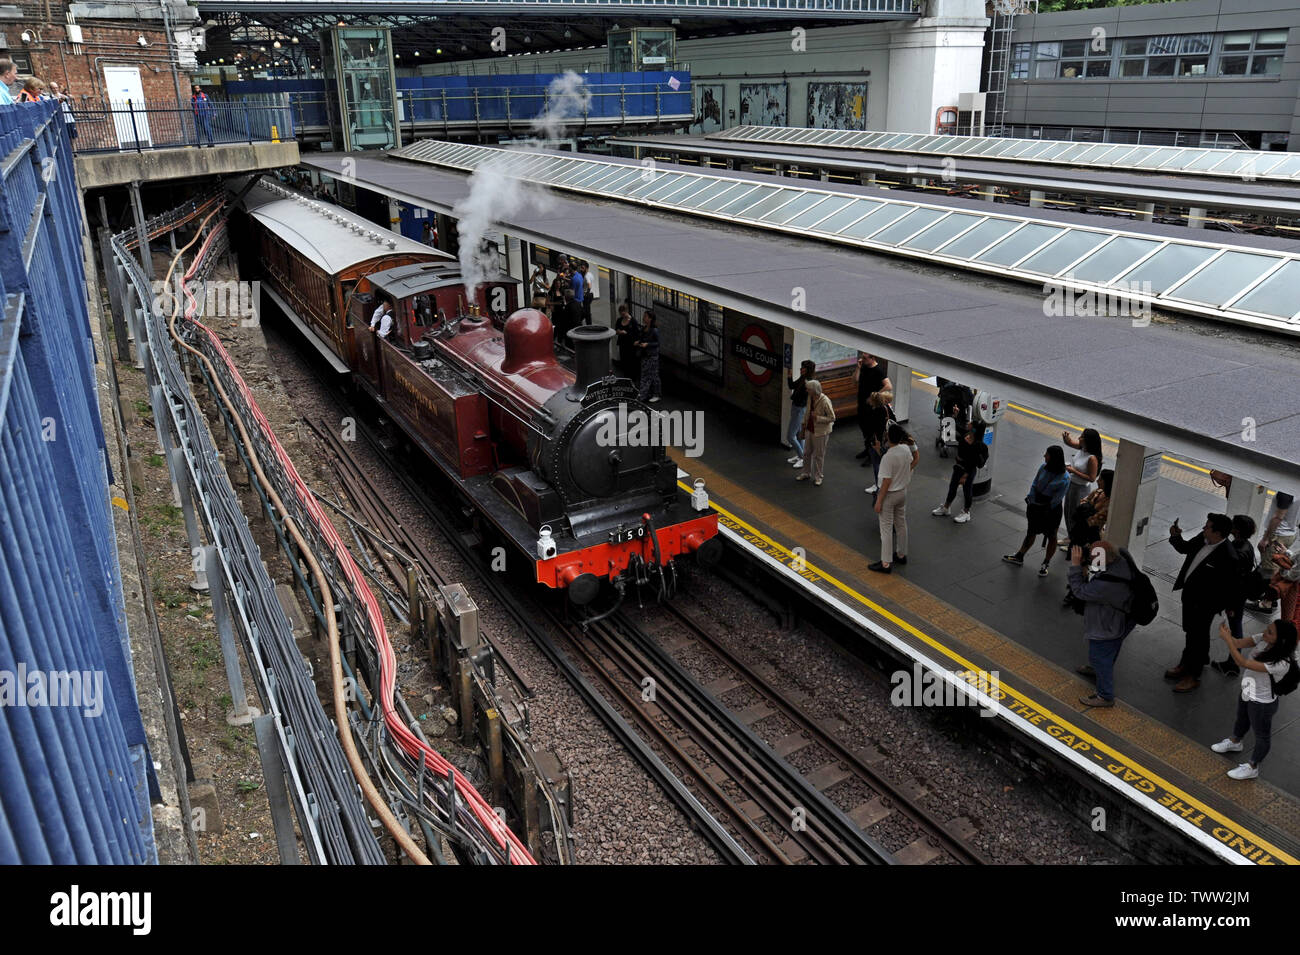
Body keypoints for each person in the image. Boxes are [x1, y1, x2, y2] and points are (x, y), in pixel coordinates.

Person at [1210, 620, 1297, 780]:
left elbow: (1242, 662)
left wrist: (1227, 640)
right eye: (1267, 629)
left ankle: (1253, 766)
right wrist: (1228, 635)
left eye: (1270, 632)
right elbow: (1237, 643)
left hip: (1262, 703)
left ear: (1281, 640)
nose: (1265, 632)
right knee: (1242, 718)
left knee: (1262, 735)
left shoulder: (1281, 662)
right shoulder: (1263, 639)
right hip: (1247, 689)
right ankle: (1235, 742)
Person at [1165, 513, 1236, 693]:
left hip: (1205, 606)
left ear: (1218, 533)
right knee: (1191, 633)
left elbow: (1228, 587)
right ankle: (1185, 664)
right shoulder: (1202, 539)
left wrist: (1214, 607)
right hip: (1189, 598)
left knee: (1198, 637)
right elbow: (1185, 548)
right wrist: (1175, 536)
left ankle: (1193, 675)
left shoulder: (1228, 556)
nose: (1204, 528)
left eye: (1207, 526)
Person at [1069, 541, 1138, 708]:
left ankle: (1105, 696)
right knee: (1110, 650)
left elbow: (1080, 591)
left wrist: (1076, 567)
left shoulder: (1106, 585)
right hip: (1124, 618)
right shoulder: (1121, 559)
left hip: (1109, 624)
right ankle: (1096, 670)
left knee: (1100, 655)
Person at [1003, 446, 1071, 576]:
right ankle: (1020, 555)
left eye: (1047, 454)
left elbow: (1057, 498)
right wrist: (1031, 499)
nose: (1044, 456)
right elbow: (1034, 484)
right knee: (1031, 531)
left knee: (1052, 536)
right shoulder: (1043, 467)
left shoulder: (1065, 477)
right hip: (1036, 504)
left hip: (1051, 510)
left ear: (1054, 458)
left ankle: (1046, 563)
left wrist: (1045, 508)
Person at [1210, 514, 1259, 676]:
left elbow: (1234, 580)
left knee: (1236, 628)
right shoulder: (1246, 545)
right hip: (1240, 595)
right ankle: (1233, 662)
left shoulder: (1237, 550)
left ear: (1236, 530)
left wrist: (1230, 605)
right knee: (1236, 626)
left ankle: (1233, 663)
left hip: (1235, 597)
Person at [1059, 468, 1113, 606]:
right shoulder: (1098, 492)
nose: (1098, 480)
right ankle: (1077, 590)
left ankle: (1086, 590)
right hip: (1082, 534)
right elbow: (1083, 502)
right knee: (1080, 561)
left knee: (1097, 566)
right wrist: (1088, 510)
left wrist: (1086, 510)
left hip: (1096, 539)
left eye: (1101, 479)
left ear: (1107, 482)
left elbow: (1095, 520)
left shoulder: (1111, 501)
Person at [869, 424, 918, 573]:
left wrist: (878, 501)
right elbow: (912, 461)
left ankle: (885, 563)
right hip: (902, 492)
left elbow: (886, 481)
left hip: (889, 496)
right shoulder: (904, 449)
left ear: (888, 437)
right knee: (901, 524)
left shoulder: (888, 457)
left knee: (886, 529)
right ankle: (901, 554)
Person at [932, 422, 988, 524]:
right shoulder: (966, 435)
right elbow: (957, 427)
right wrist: (954, 416)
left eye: (971, 423)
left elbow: (973, 463)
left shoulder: (977, 445)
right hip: (959, 467)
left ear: (974, 430)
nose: (968, 423)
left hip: (968, 470)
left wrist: (965, 475)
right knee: (952, 487)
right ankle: (946, 507)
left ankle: (966, 513)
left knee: (967, 491)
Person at [1250, 492, 1296, 615]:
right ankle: (1272, 598)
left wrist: (1265, 539)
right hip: (1290, 533)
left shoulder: (1286, 492)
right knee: (1276, 567)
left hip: (1278, 535)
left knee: (1270, 570)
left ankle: (1266, 603)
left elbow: (1278, 518)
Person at [1060, 428, 1103, 543]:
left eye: (1082, 437)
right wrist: (1066, 438)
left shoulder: (1092, 458)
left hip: (1080, 489)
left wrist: (1073, 470)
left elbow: (1092, 478)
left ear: (1088, 441)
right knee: (1068, 511)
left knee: (1075, 514)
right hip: (1071, 484)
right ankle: (1070, 537)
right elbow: (1070, 443)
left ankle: (1075, 540)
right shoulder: (1082, 448)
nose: (1079, 438)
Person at [853, 352, 891, 478]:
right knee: (863, 427)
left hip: (871, 406)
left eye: (865, 358)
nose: (862, 360)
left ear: (872, 358)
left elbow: (888, 386)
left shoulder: (878, 370)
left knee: (871, 431)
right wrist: (858, 367)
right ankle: (867, 449)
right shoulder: (863, 367)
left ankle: (872, 454)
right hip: (862, 403)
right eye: (862, 358)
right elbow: (855, 380)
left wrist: (874, 396)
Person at [796, 378, 835, 486]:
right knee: (806, 453)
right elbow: (807, 412)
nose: (807, 391)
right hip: (810, 429)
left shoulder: (825, 401)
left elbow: (832, 418)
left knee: (819, 455)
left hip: (821, 432)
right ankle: (806, 472)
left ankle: (818, 477)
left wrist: (818, 418)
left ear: (814, 390)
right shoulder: (810, 397)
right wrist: (803, 426)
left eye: (808, 389)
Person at [786, 359, 815, 470]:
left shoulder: (809, 382)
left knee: (790, 436)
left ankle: (803, 458)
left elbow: (806, 398)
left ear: (807, 370)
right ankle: (801, 456)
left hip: (799, 409)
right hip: (797, 408)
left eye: (802, 368)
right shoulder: (803, 378)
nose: (800, 369)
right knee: (798, 435)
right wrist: (789, 376)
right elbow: (792, 386)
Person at [635, 310, 661, 403]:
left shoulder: (654, 330)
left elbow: (657, 343)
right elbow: (642, 338)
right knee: (645, 375)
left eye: (645, 316)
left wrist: (648, 344)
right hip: (645, 355)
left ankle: (655, 394)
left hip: (652, 356)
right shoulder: (644, 328)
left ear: (650, 319)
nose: (643, 318)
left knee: (653, 375)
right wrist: (639, 342)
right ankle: (644, 393)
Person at [614, 304, 639, 378]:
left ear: (627, 311)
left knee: (631, 361)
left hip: (630, 345)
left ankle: (632, 377)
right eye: (621, 313)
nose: (622, 315)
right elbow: (616, 330)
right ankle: (625, 376)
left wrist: (627, 333)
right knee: (624, 361)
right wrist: (619, 332)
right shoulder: (619, 320)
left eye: (623, 313)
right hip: (622, 344)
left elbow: (637, 333)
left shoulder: (633, 321)